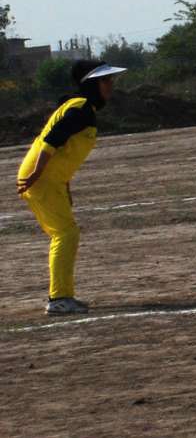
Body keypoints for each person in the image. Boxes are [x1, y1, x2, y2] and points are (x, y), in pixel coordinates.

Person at [16, 60, 127, 314]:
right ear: (92, 83)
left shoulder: (82, 108)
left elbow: (65, 152)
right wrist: (36, 173)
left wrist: (65, 184)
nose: (111, 85)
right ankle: (58, 299)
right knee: (65, 234)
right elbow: (51, 141)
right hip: (41, 178)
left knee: (66, 233)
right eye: (106, 81)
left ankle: (62, 297)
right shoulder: (80, 109)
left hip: (50, 179)